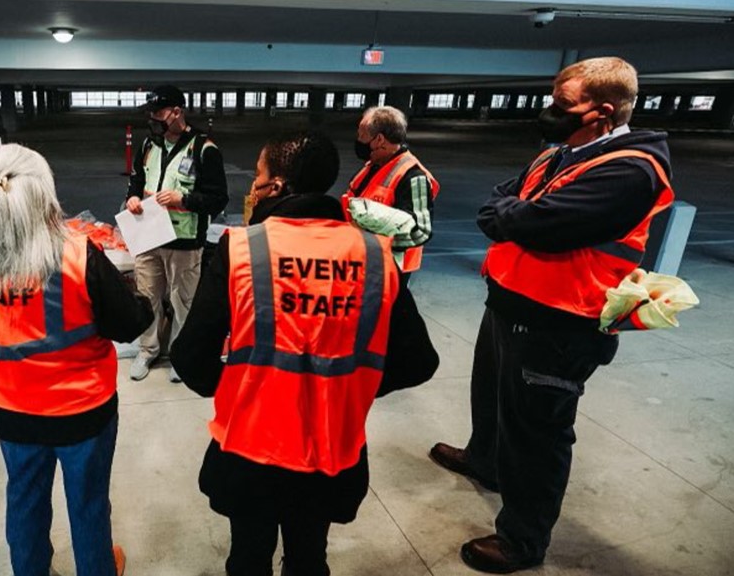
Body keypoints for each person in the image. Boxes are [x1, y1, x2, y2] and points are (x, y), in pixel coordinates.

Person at [429, 57, 674, 573]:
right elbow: (500, 203)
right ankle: (485, 461)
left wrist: (513, 217)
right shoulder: (558, 154)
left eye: (563, 104)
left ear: (602, 113)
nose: (551, 111)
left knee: (537, 434)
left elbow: (539, 223)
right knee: (492, 396)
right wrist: (513, 216)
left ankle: (522, 540)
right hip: (511, 300)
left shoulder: (631, 170)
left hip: (559, 321)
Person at [171, 131, 440, 576]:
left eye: (258, 175)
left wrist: (237, 385)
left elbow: (191, 358)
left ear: (276, 186)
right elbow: (418, 362)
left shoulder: (241, 249)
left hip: (251, 447)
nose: (253, 186)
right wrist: (352, 387)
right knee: (309, 557)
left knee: (248, 557)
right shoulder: (375, 255)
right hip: (332, 449)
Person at [0, 143, 151, 576]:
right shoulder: (78, 254)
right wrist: (143, 300)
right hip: (82, 411)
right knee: (88, 503)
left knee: (24, 499)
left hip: (10, 409)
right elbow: (129, 324)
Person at [125, 85, 228, 382]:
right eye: (150, 113)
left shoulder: (204, 149)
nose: (152, 119)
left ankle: (179, 354)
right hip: (148, 236)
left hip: (185, 240)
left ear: (177, 112)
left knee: (183, 300)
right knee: (147, 296)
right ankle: (148, 349)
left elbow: (218, 199)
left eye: (158, 113)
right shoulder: (149, 145)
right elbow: (136, 181)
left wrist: (183, 199)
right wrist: (133, 198)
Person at [343, 105, 438, 286]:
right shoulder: (373, 165)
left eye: (361, 135)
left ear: (379, 139)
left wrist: (373, 243)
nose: (358, 140)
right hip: (365, 262)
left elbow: (421, 232)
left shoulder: (413, 176)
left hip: (391, 270)